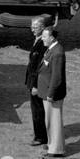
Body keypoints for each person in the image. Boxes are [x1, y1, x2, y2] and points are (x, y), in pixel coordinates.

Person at [34, 23, 66, 157]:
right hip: (46, 91)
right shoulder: (51, 49)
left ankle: (56, 150)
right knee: (49, 120)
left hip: (51, 93)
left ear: (52, 38)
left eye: (45, 37)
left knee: (54, 122)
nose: (42, 39)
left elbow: (56, 77)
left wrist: (51, 94)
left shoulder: (57, 53)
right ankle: (52, 144)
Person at [24, 15, 51, 148]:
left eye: (35, 27)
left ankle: (41, 137)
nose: (32, 30)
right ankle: (40, 134)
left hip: (38, 83)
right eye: (32, 27)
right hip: (33, 81)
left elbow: (39, 67)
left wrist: (35, 85)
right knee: (37, 110)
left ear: (43, 28)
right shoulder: (38, 39)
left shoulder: (43, 43)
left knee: (38, 110)